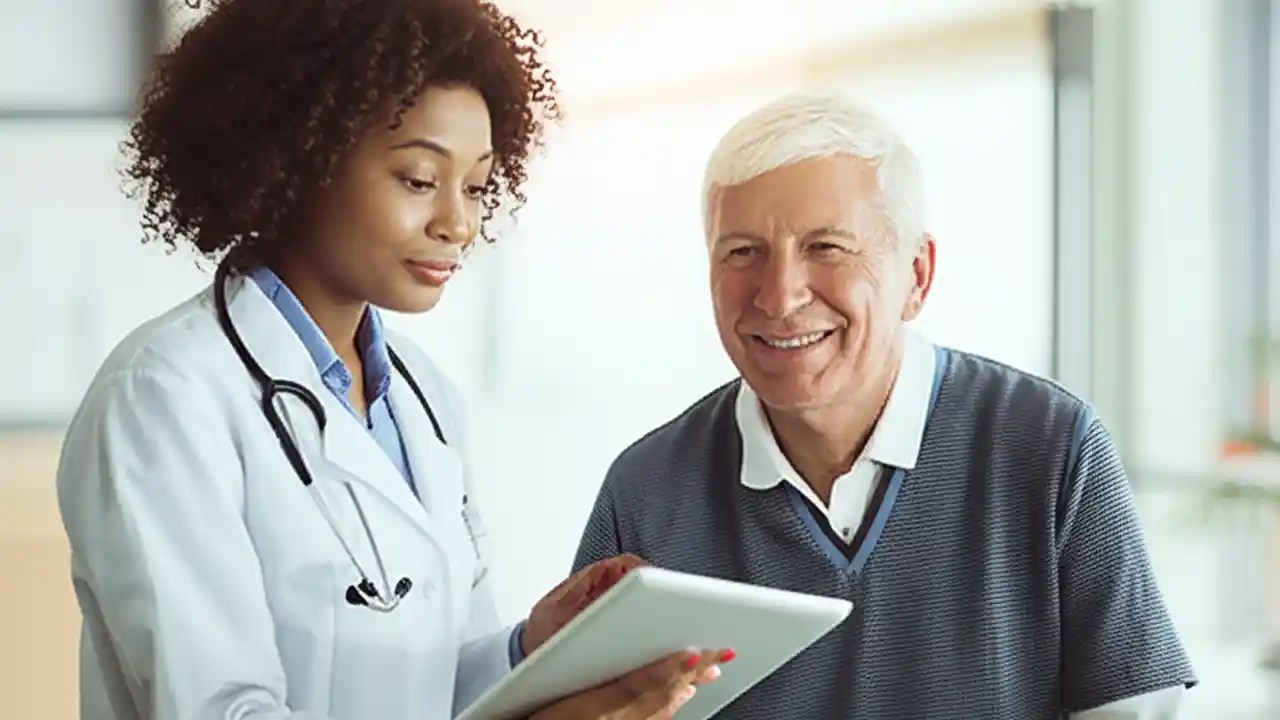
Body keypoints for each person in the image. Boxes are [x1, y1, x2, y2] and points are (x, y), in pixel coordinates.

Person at [54, 1, 728, 718]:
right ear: (300, 159)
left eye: (474, 186)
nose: (459, 222)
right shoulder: (166, 396)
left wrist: (529, 648)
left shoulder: (424, 400)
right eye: (417, 180)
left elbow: (434, 685)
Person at [572, 90, 1196, 719]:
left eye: (827, 247)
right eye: (742, 252)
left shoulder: (1053, 448)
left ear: (917, 275)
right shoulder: (647, 491)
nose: (781, 296)